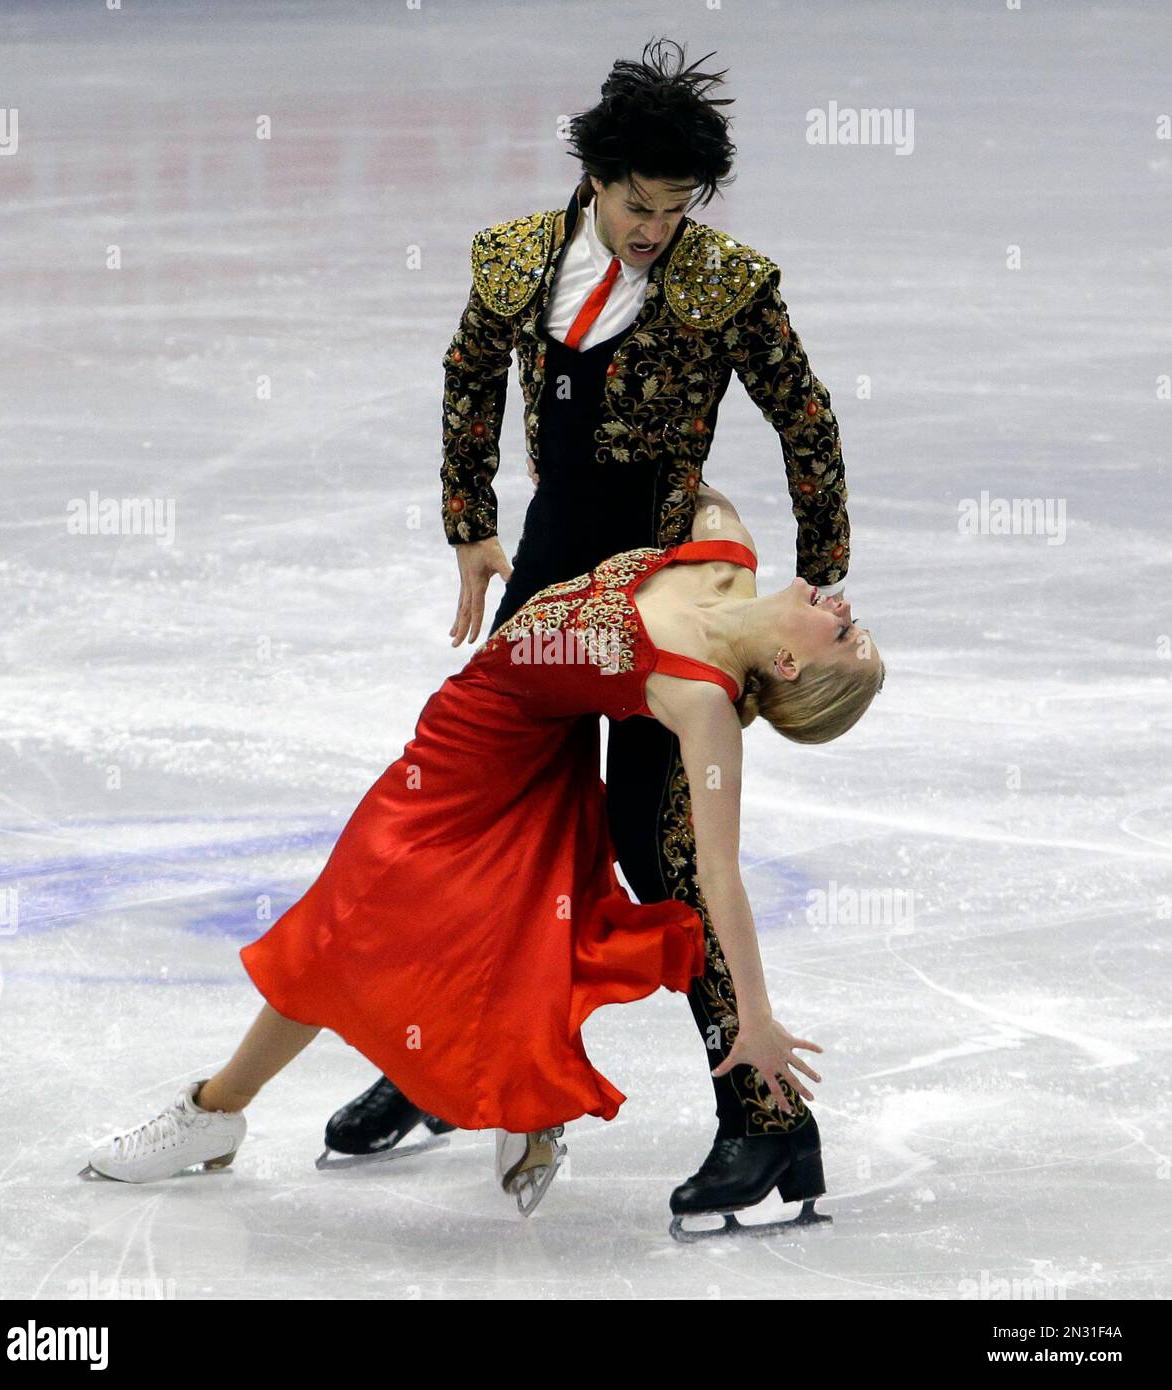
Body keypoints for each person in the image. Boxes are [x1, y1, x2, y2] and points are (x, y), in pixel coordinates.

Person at [323, 38, 858, 1232]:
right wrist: (470, 523)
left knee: (656, 845)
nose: (654, 228)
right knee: (480, 826)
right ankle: (437, 1061)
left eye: (675, 209)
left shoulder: (730, 284)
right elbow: (468, 376)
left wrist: (816, 587)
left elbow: (806, 421)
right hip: (555, 578)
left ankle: (771, 1122)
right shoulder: (520, 257)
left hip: (668, 589)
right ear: (595, 177)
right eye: (637, 203)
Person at [79, 484, 884, 1235]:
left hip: (496, 766)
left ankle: (215, 1110)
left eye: (844, 635)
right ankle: (500, 1102)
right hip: (468, 741)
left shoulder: (701, 698)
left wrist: (755, 1015)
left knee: (343, 930)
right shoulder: (722, 549)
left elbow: (717, 874)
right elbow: (655, 437)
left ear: (787, 667)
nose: (844, 607)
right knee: (408, 937)